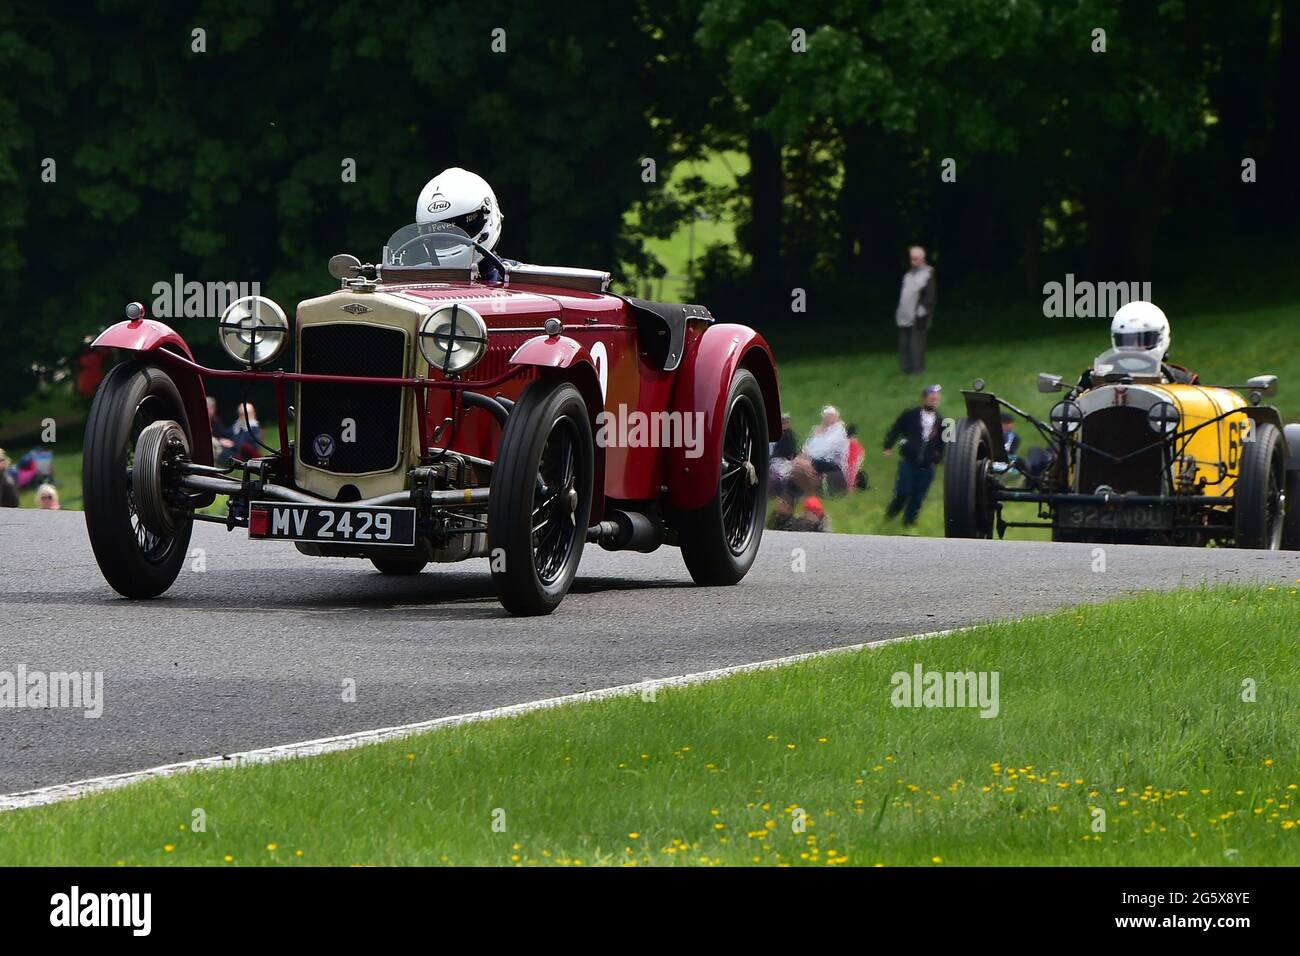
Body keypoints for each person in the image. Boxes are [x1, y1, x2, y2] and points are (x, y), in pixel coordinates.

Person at [414, 167, 513, 280]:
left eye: (459, 228)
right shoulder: (408, 282)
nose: (449, 239)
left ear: (486, 214)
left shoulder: (522, 281)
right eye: (437, 232)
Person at [883, 384, 946, 526]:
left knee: (918, 496)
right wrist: (888, 445)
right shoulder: (910, 415)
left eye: (937, 399)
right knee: (903, 491)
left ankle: (909, 523)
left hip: (928, 464)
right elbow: (896, 429)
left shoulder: (942, 421)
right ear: (924, 399)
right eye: (932, 399)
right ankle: (891, 514)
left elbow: (943, 443)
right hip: (909, 461)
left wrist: (937, 458)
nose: (935, 401)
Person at [895, 245, 937, 375]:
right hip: (904, 315)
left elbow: (930, 296)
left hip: (919, 317)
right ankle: (906, 370)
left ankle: (917, 371)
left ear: (922, 259)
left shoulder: (928, 273)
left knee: (916, 345)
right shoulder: (908, 275)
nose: (913, 261)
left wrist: (921, 311)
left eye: (916, 259)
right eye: (912, 259)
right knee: (904, 345)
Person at [798, 405, 850, 494]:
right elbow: (807, 446)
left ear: (836, 417)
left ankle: (812, 490)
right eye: (826, 416)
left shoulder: (838, 430)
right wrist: (804, 454)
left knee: (804, 464)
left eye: (830, 416)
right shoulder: (819, 429)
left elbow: (828, 449)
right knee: (798, 462)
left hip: (832, 462)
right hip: (817, 459)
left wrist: (809, 456)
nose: (827, 419)